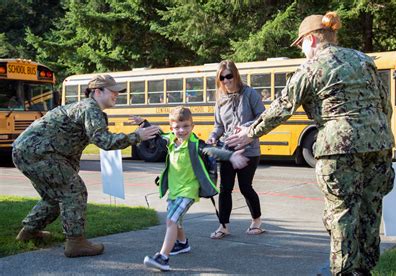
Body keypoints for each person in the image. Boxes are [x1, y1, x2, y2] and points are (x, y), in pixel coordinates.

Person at [226, 12, 395, 275]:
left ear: (311, 39)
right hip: (379, 145)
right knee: (370, 210)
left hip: (339, 148)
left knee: (342, 213)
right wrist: (383, 136)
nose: (303, 50)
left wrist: (251, 132)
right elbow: (385, 104)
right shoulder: (364, 60)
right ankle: (365, 269)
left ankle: (345, 271)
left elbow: (283, 107)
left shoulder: (312, 66)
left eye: (302, 44)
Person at [12, 74, 160, 258]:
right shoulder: (90, 108)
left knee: (54, 197)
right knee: (74, 191)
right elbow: (104, 141)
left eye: (117, 92)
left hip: (28, 151)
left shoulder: (87, 108)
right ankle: (76, 243)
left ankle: (28, 233)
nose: (117, 95)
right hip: (38, 152)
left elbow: (74, 141)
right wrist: (137, 136)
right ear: (97, 91)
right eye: (112, 91)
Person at [142, 106, 248, 271]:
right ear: (172, 128)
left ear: (192, 126)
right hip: (174, 190)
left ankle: (163, 258)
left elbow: (211, 150)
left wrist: (231, 156)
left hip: (188, 191)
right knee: (177, 222)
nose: (181, 130)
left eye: (185, 126)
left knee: (171, 220)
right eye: (177, 127)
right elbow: (157, 135)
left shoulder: (195, 144)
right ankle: (183, 244)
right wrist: (144, 123)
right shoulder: (170, 140)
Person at [206, 60, 266, 239]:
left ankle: (256, 221)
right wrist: (213, 136)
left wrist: (246, 128)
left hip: (249, 149)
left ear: (236, 75)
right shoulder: (220, 99)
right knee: (225, 188)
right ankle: (223, 226)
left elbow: (263, 116)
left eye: (229, 76)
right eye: (222, 78)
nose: (226, 81)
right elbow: (218, 125)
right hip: (227, 150)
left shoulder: (249, 94)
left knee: (246, 187)